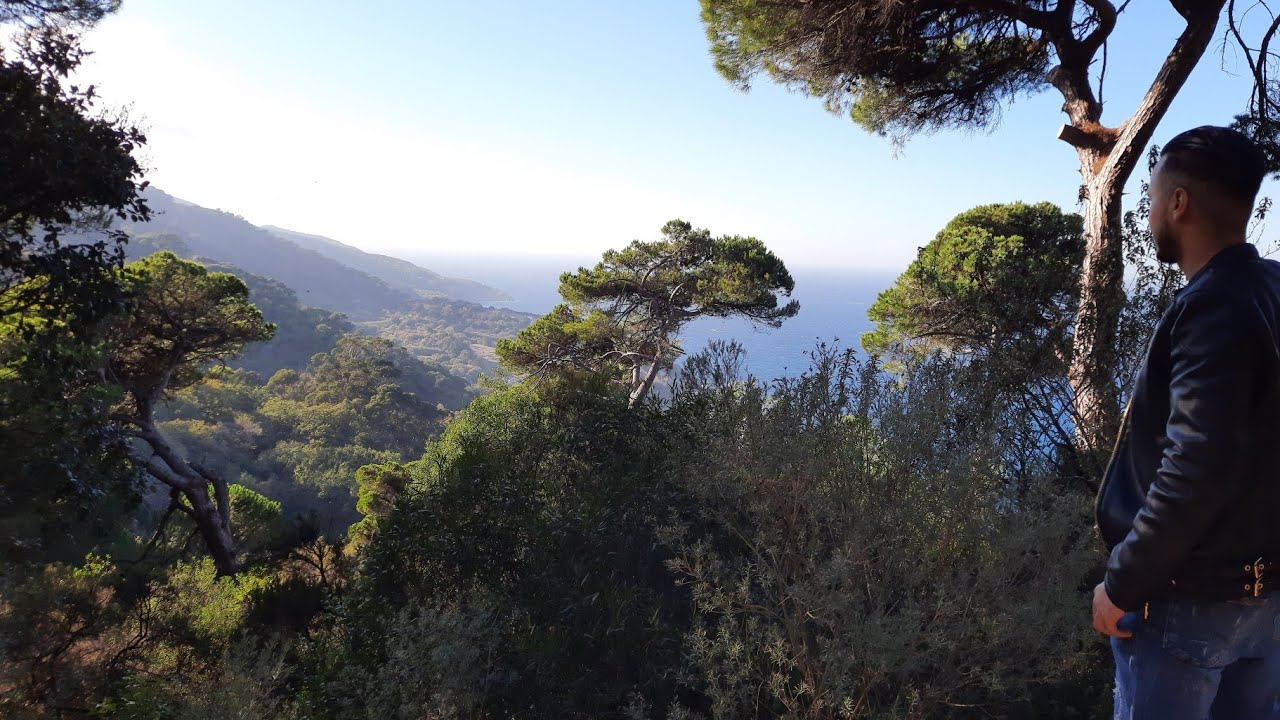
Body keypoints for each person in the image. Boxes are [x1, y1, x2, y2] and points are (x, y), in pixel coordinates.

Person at [1093, 125, 1280, 719]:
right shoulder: (1273, 287)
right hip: (1268, 602)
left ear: (1179, 204)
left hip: (1188, 604)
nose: (1148, 213)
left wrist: (1122, 582)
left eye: (1151, 198)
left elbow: (1195, 465)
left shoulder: (1210, 304)